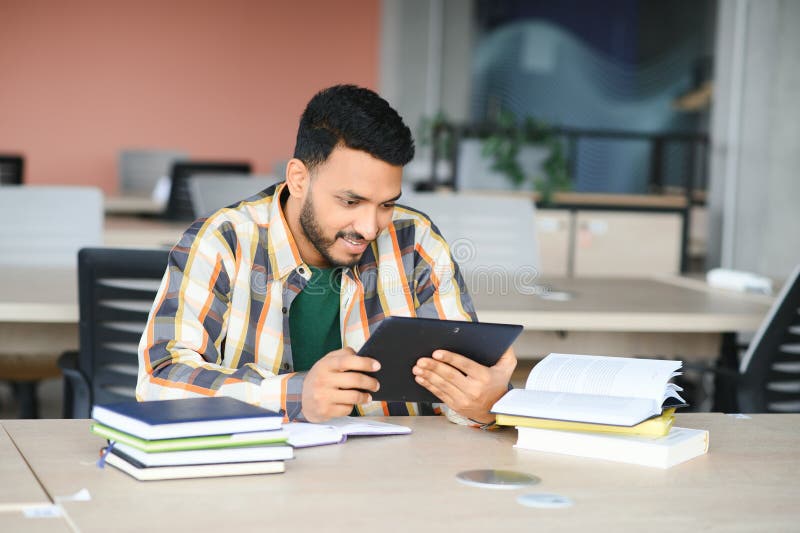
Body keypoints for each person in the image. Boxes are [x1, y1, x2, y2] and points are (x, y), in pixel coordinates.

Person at [137, 84, 516, 427]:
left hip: (397, 473)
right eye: (350, 201)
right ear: (299, 179)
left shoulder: (416, 242)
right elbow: (160, 379)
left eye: (386, 204)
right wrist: (295, 395)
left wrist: (483, 405)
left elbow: (463, 382)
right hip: (262, 474)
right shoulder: (224, 241)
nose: (370, 227)